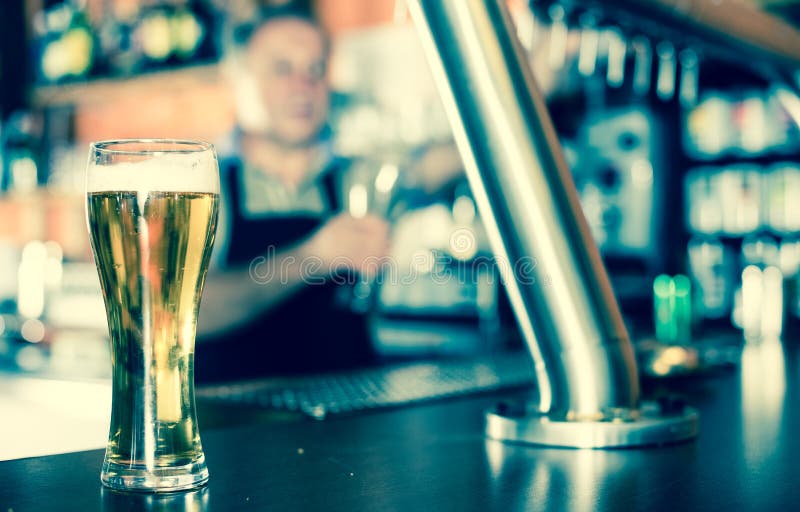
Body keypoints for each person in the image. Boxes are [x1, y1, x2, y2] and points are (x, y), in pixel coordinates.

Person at [195, 7, 391, 382]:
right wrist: (312, 257)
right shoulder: (201, 184)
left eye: (315, 70)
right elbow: (181, 314)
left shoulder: (356, 178)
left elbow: (436, 163)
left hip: (347, 417)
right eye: (283, 69)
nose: (304, 86)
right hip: (235, 423)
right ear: (238, 80)